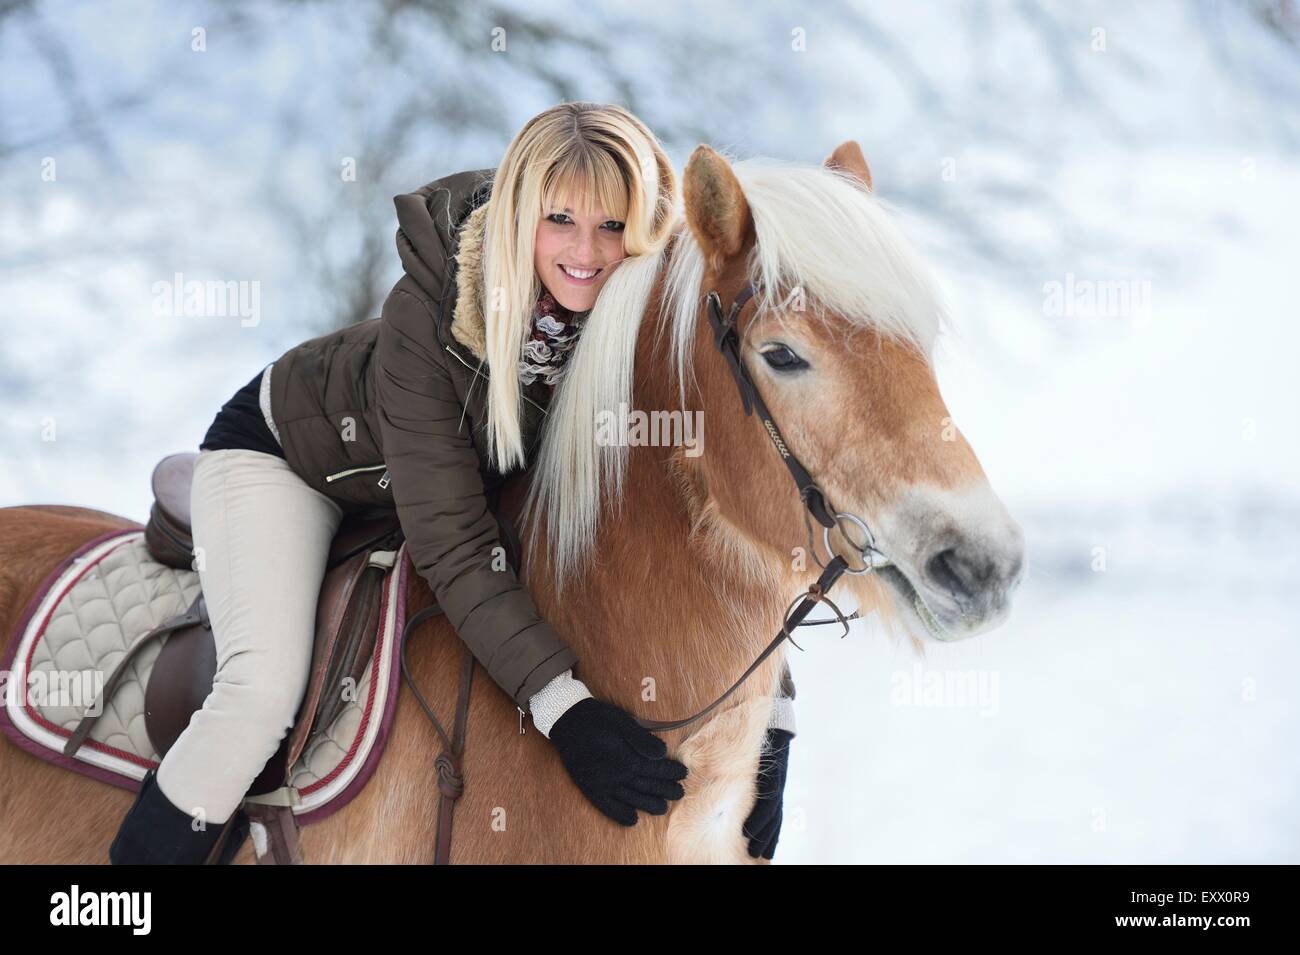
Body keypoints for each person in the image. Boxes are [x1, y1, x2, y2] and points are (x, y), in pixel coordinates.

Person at [110, 101, 795, 864]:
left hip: (438, 483)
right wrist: (566, 712)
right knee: (261, 692)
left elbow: (698, 517)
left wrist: (773, 722)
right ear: (517, 215)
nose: (586, 251)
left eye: (612, 224)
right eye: (559, 218)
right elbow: (452, 535)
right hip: (296, 461)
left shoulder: (642, 328)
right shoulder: (433, 310)